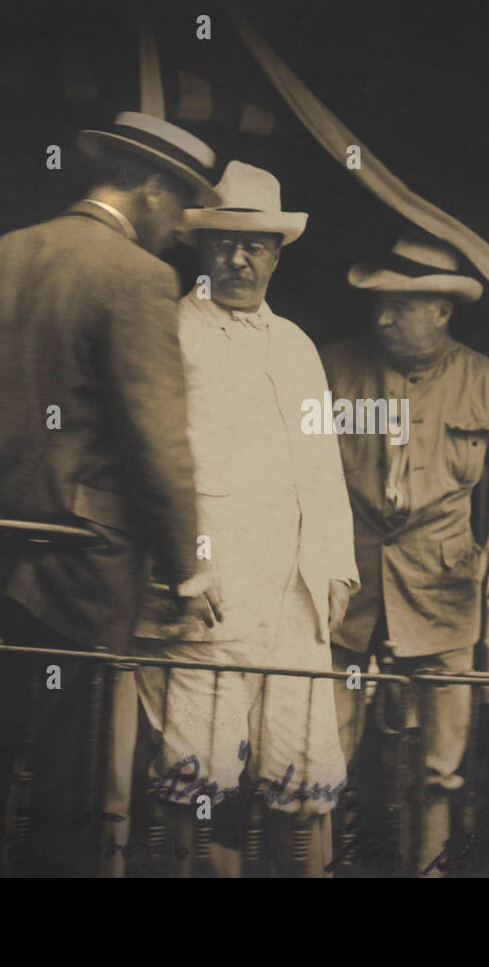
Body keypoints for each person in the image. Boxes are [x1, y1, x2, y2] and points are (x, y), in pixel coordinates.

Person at [0, 111, 222, 876]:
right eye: (181, 207)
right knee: (68, 792)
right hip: (73, 576)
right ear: (151, 189)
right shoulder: (138, 277)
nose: (181, 231)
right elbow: (156, 441)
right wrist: (186, 569)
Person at [122, 161, 359, 877]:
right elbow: (151, 460)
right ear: (200, 247)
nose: (239, 258)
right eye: (224, 242)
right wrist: (185, 565)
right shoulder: (170, 332)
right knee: (194, 779)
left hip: (295, 600)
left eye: (256, 245)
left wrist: (336, 565)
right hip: (208, 596)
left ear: (278, 253)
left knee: (302, 782)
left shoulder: (296, 346)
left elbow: (322, 466)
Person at [320, 233, 489, 874]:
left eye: (400, 304)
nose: (381, 316)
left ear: (443, 311)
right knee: (320, 758)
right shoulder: (329, 369)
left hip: (444, 595)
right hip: (342, 594)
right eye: (378, 303)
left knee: (438, 772)